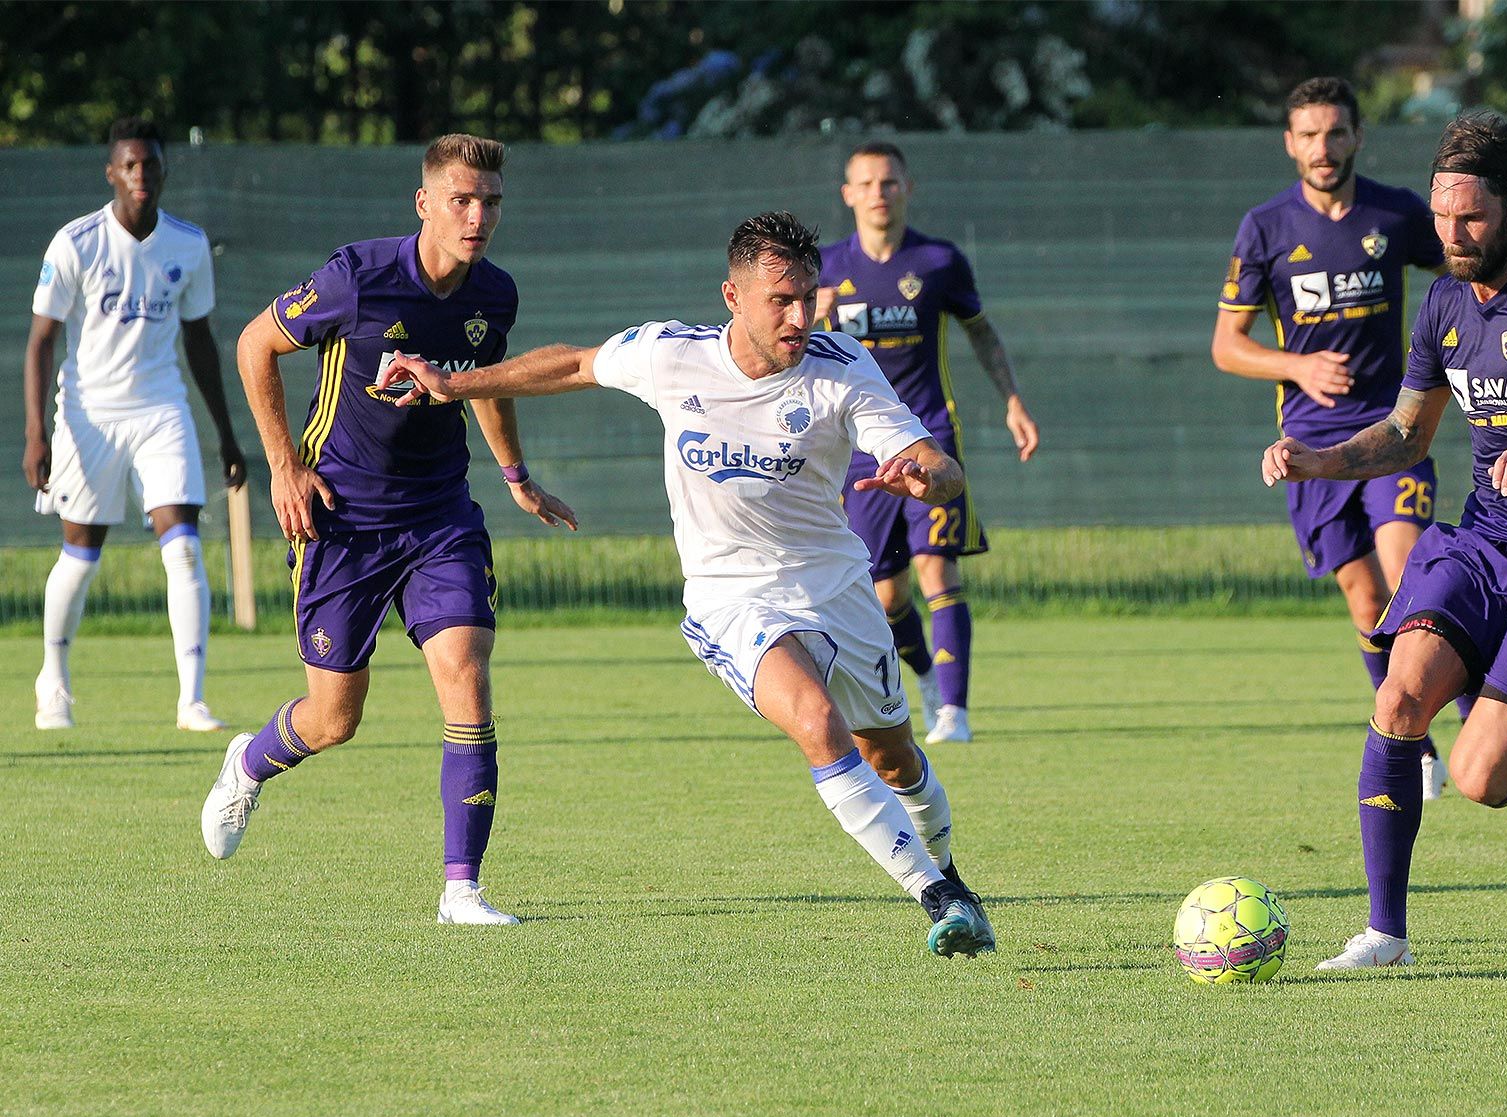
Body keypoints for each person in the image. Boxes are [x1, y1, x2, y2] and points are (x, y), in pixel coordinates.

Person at [381, 211, 997, 958]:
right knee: (814, 723)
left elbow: (940, 465)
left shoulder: (842, 368)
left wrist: (928, 480)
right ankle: (934, 898)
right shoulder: (670, 355)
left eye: (808, 296)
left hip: (836, 587)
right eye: (781, 300)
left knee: (893, 757)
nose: (800, 315)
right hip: (731, 595)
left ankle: (952, 875)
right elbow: (574, 364)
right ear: (732, 297)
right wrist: (453, 382)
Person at [1262, 111, 1507, 970]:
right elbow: (1406, 435)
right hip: (1480, 542)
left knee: (1481, 781)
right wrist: (1318, 459)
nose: (1452, 233)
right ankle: (1384, 935)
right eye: (1441, 215)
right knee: (1398, 700)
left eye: (1470, 216)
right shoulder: (1440, 301)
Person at [198, 134, 576, 927]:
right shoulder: (359, 278)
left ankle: (461, 890)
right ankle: (249, 759)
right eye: (464, 200)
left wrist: (515, 478)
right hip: (342, 521)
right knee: (335, 719)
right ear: (426, 203)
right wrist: (281, 466)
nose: (479, 216)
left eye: (492, 202)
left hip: (440, 517)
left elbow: (486, 385)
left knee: (467, 676)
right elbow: (253, 345)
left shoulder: (493, 296)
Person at [1211, 78, 1456, 797]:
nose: (1324, 148)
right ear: (1291, 144)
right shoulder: (1265, 228)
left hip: (1393, 431)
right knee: (1363, 599)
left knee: (1407, 564)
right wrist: (1297, 364)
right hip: (1310, 445)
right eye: (1309, 135)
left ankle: (1476, 705)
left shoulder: (1397, 213)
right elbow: (1228, 345)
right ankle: (1414, 736)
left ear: (1356, 137)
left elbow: (1461, 284)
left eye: (1335, 133)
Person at [24, 116, 246, 731]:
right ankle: (54, 680)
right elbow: (42, 341)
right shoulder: (77, 243)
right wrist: (36, 432)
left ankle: (192, 700)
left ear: (164, 170)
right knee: (82, 553)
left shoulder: (187, 244)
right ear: (112, 173)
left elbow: (200, 342)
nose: (140, 174)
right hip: (88, 416)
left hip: (160, 411)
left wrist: (226, 434)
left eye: (150, 164)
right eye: (129, 165)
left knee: (183, 549)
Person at [815, 141, 1039, 746]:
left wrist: (1012, 400)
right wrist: (815, 314)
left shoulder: (938, 261)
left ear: (907, 188)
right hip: (860, 447)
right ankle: (927, 678)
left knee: (936, 568)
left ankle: (956, 714)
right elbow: (783, 345)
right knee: (886, 595)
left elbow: (983, 336)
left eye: (889, 182)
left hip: (930, 438)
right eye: (866, 183)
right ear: (848, 194)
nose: (878, 193)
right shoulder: (826, 269)